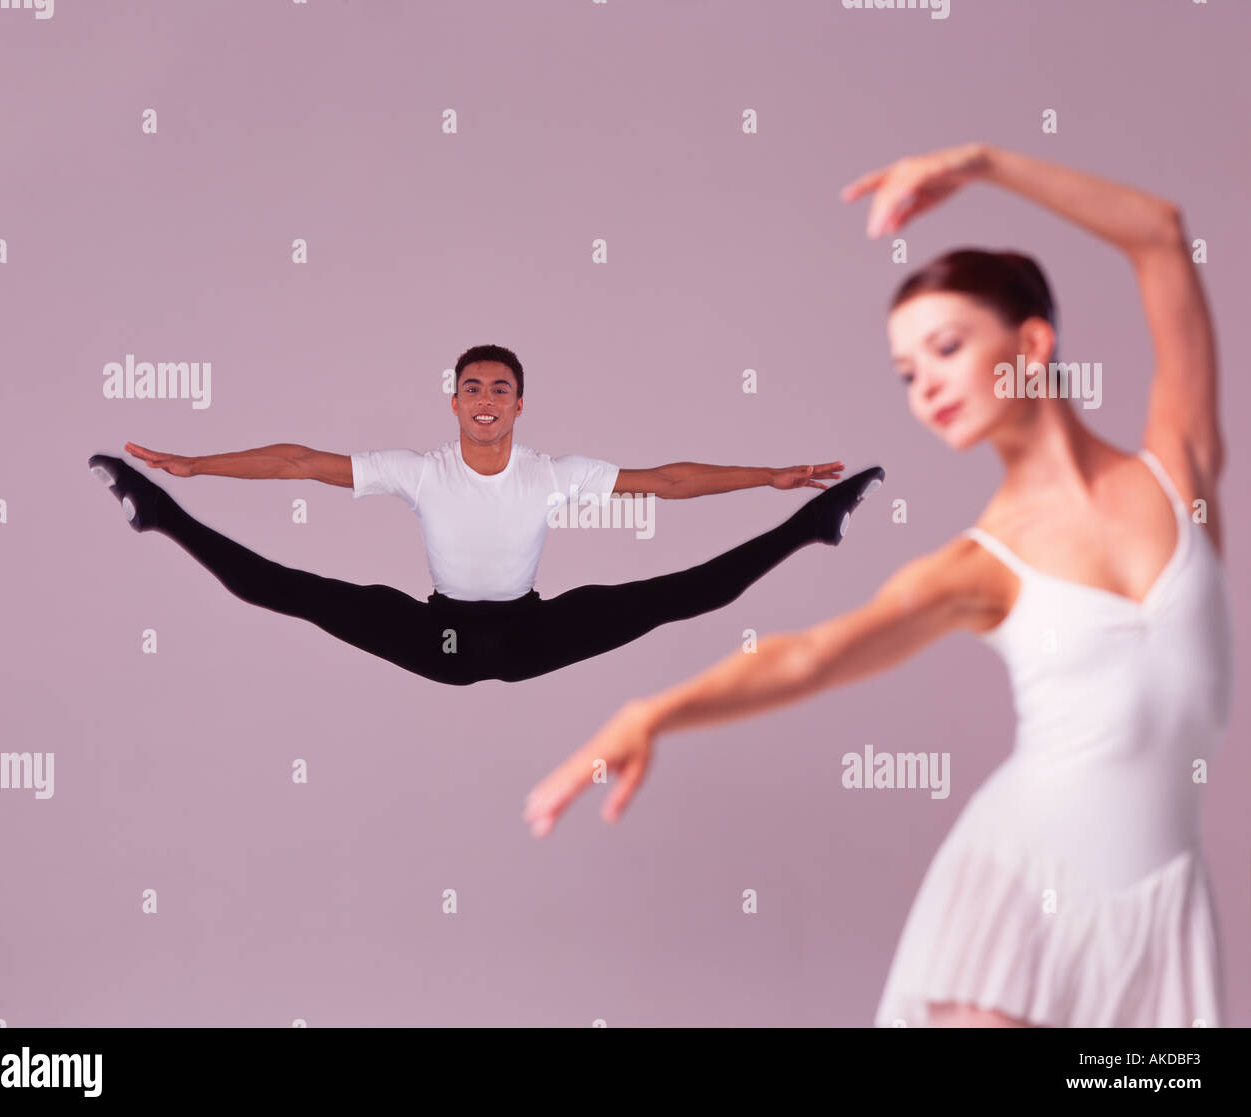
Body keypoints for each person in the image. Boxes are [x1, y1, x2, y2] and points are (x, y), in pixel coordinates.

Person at [522, 143, 1232, 1028]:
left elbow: (1161, 235)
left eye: (945, 347)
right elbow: (812, 656)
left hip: (1162, 913)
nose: (925, 383)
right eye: (906, 373)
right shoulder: (979, 565)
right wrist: (651, 711)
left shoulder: (1180, 469)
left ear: (1034, 342)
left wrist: (984, 165)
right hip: (1021, 892)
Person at [89, 343, 885, 686]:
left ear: (519, 404)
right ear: (454, 399)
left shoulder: (549, 474)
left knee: (681, 594)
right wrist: (196, 466)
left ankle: (810, 527)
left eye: (500, 388)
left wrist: (770, 478)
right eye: (473, 387)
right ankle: (159, 510)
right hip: (439, 637)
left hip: (531, 633)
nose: (485, 400)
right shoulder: (421, 471)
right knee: (283, 587)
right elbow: (301, 460)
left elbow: (668, 483)